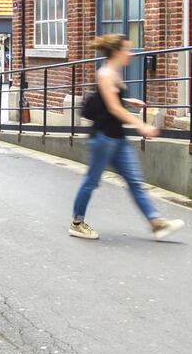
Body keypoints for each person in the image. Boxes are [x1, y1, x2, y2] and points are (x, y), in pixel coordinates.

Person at [70, 34, 184, 241]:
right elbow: (113, 107)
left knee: (134, 181)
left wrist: (129, 101)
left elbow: (112, 100)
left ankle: (156, 223)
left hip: (117, 138)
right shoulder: (105, 73)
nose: (130, 54)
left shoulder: (114, 72)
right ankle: (77, 223)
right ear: (116, 52)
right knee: (91, 182)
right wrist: (141, 125)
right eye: (127, 50)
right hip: (103, 139)